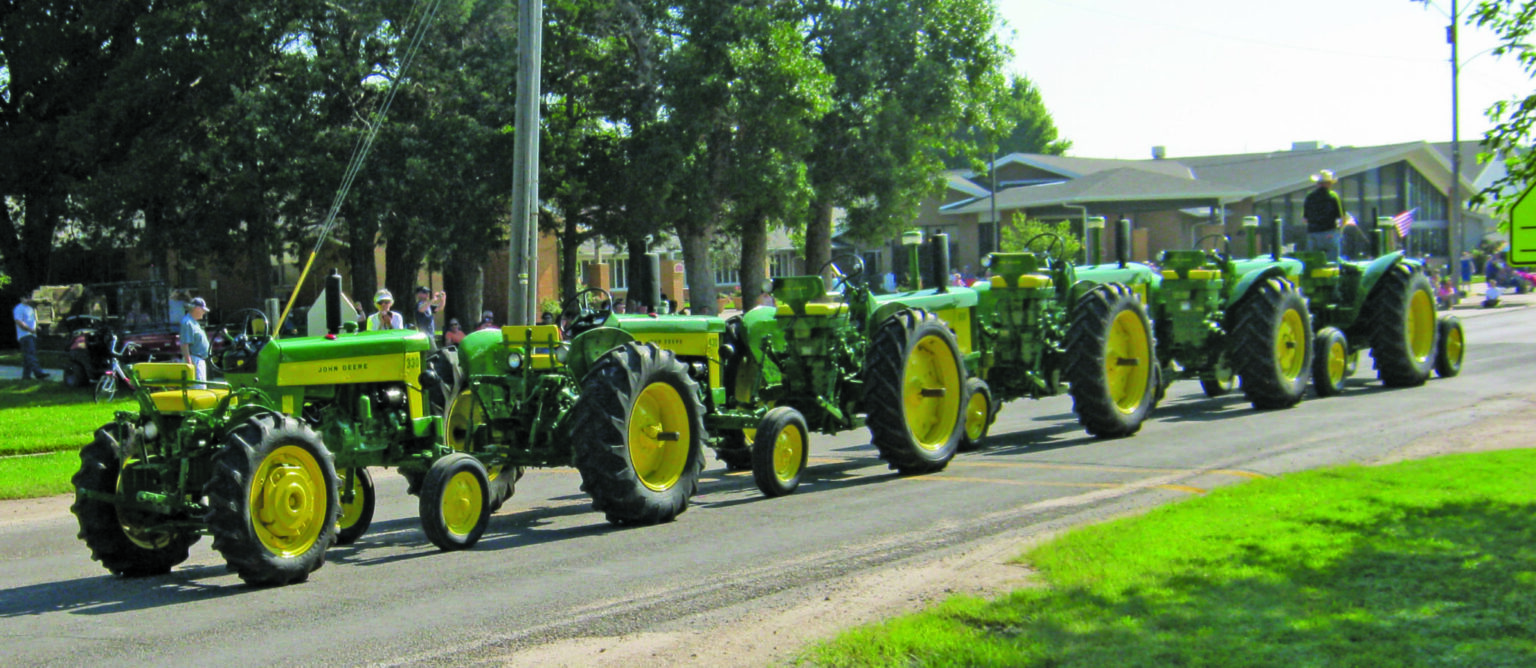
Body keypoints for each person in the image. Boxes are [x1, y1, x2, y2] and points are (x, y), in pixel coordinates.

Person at [1303, 169, 1349, 262]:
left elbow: (1305, 219)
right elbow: (1342, 217)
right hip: (1329, 232)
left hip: (1313, 233)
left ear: (1318, 183)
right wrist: (1340, 230)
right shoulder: (1333, 196)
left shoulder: (1309, 196)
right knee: (1331, 262)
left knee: (1314, 262)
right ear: (1329, 183)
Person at [12, 292, 49, 380]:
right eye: (26, 297)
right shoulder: (19, 308)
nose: (28, 299)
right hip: (25, 335)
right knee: (30, 354)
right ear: (21, 298)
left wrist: (37, 327)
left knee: (27, 356)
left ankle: (26, 377)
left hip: (32, 334)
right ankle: (38, 373)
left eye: (29, 297)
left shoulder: (30, 308)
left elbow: (32, 320)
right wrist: (30, 329)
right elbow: (19, 322)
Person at [179, 297, 211, 388]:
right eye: (203, 310)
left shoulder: (194, 322)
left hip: (199, 360)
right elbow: (184, 345)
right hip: (194, 360)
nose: (204, 312)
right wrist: (190, 365)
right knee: (198, 390)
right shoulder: (187, 322)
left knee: (201, 388)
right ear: (197, 308)